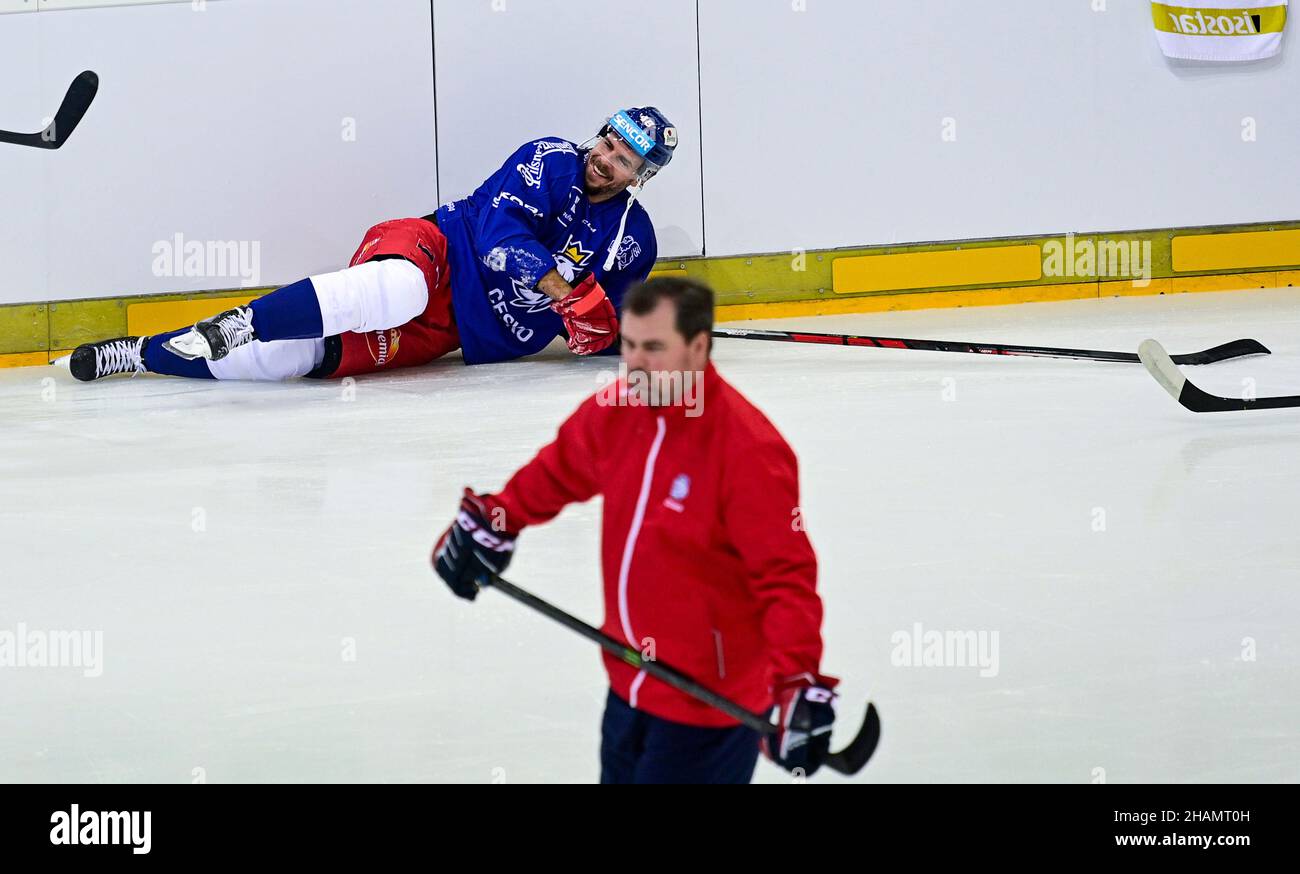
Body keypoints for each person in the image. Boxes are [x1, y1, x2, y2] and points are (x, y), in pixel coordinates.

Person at [432, 277, 839, 784]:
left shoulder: (747, 449)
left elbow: (784, 577)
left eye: (653, 348)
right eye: (628, 345)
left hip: (707, 710)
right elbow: (559, 471)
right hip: (629, 682)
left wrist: (799, 682)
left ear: (698, 346)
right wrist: (498, 520)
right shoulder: (618, 411)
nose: (636, 364)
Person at [66, 107, 675, 382]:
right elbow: (497, 240)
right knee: (397, 289)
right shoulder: (548, 159)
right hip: (440, 249)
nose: (604, 158)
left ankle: (145, 354)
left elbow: (601, 329)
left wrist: (618, 336)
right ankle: (241, 321)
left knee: (300, 359)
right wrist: (567, 294)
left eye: (622, 158)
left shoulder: (632, 240)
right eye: (605, 142)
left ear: (638, 176)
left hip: (456, 332)